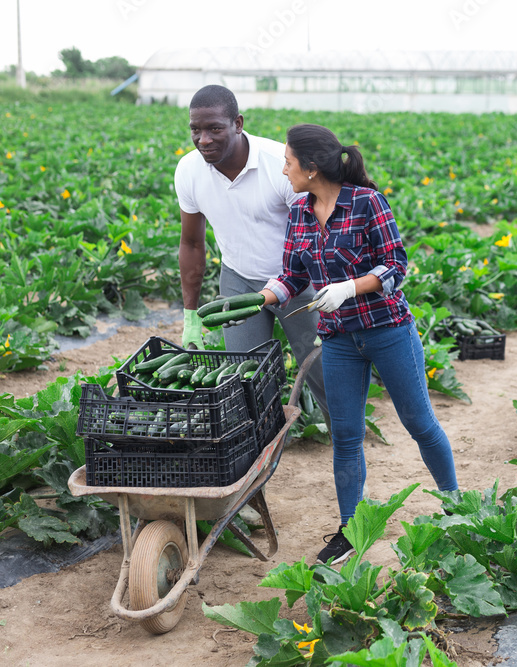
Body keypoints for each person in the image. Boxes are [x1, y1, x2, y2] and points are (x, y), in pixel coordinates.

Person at [258, 124, 458, 565]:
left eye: (289, 161)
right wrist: (262, 297)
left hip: (388, 330)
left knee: (419, 423)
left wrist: (350, 288)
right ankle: (350, 532)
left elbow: (396, 265)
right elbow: (293, 275)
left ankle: (458, 507)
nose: (284, 168)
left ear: (311, 168)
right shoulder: (298, 212)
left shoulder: (366, 202)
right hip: (338, 340)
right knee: (345, 436)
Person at [175, 84, 327, 419]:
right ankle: (260, 450)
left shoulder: (280, 166)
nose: (204, 139)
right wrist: (190, 316)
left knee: (321, 371)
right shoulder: (189, 171)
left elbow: (314, 237)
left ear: (238, 123)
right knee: (248, 378)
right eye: (195, 130)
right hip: (238, 280)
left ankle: (346, 446)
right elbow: (191, 243)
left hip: (297, 284)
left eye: (215, 128)